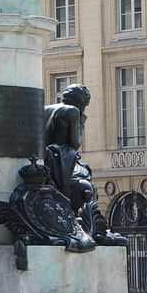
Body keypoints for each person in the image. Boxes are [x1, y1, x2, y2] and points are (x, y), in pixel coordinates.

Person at [43, 84, 126, 248]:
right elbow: (75, 142)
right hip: (62, 156)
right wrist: (82, 121)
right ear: (81, 102)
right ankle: (81, 225)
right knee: (85, 183)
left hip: (46, 156)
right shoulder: (73, 112)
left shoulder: (47, 108)